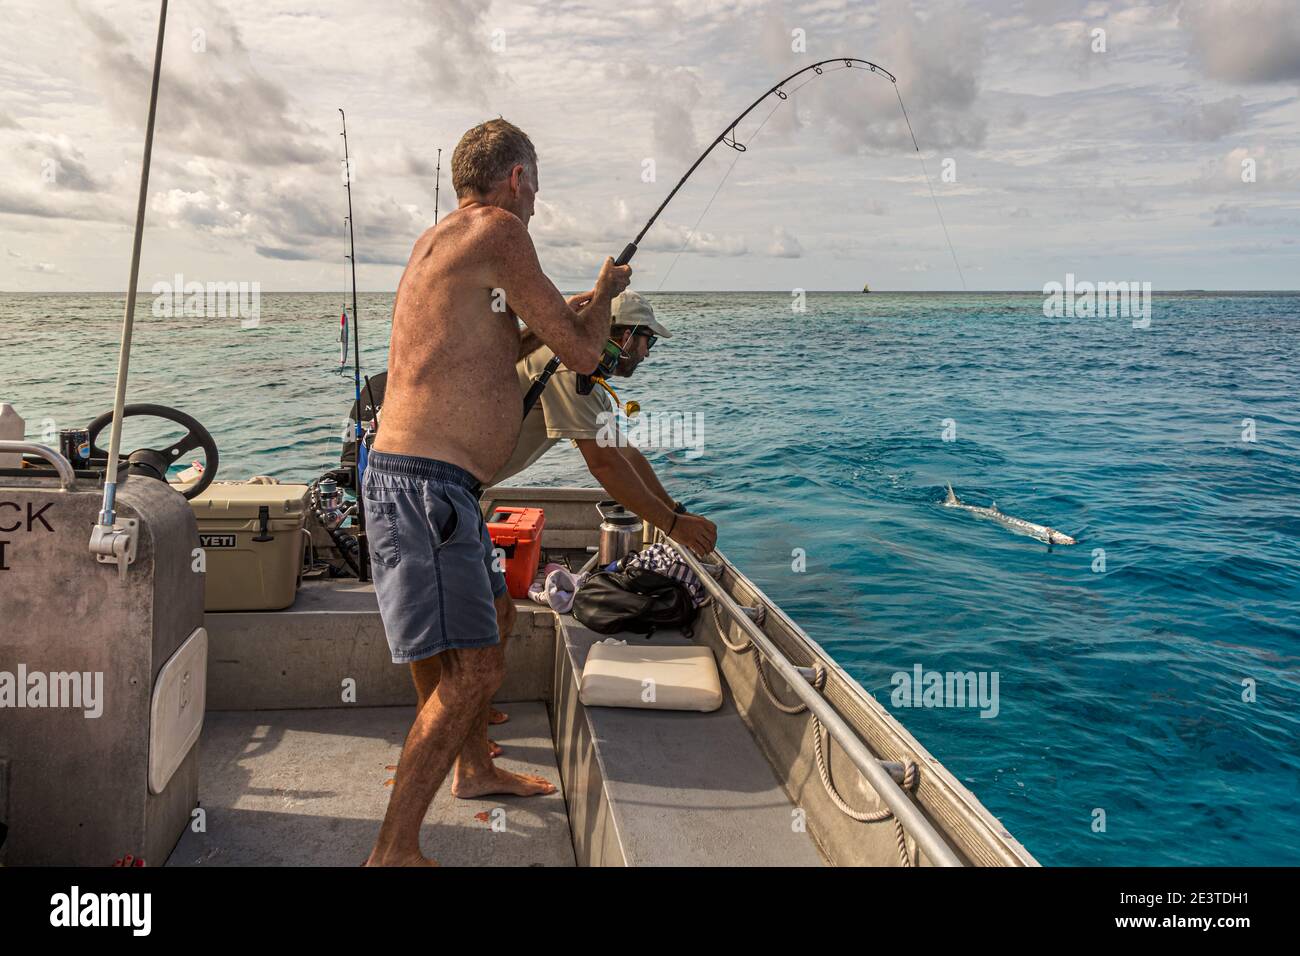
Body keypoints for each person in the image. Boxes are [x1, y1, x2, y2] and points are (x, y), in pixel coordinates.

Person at [362, 118, 631, 866]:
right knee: (474, 668)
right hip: (426, 487)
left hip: (429, 484)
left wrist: (558, 309)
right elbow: (584, 352)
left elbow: (499, 344)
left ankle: (475, 767)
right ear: (516, 177)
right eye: (537, 186)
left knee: (498, 619)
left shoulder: (440, 240)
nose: (538, 203)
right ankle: (392, 851)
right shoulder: (503, 232)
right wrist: (604, 295)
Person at [493, 291, 717, 557]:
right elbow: (604, 464)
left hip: (462, 489)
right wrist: (672, 526)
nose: (646, 353)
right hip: (449, 487)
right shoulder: (567, 366)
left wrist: (675, 511)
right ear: (627, 337)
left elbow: (625, 453)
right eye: (649, 341)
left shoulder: (588, 378)